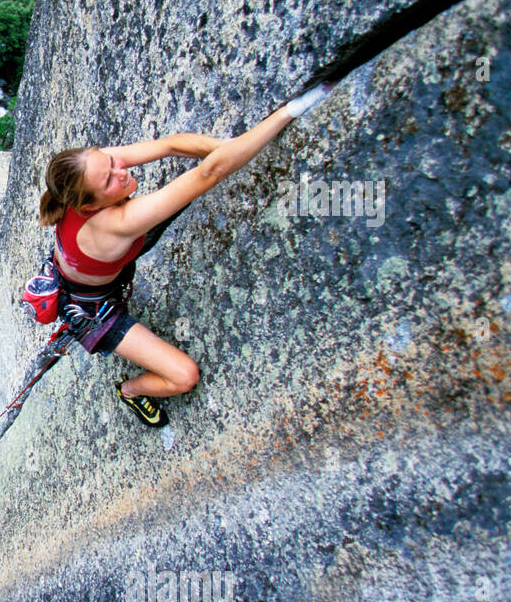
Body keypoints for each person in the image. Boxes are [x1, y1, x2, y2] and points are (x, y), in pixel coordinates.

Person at [38, 84, 332, 427]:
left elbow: (171, 144)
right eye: (110, 179)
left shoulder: (91, 170)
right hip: (93, 312)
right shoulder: (117, 222)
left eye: (113, 162)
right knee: (183, 376)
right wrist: (290, 111)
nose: (122, 170)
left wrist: (235, 148)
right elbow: (209, 173)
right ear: (89, 204)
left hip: (85, 272)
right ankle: (131, 391)